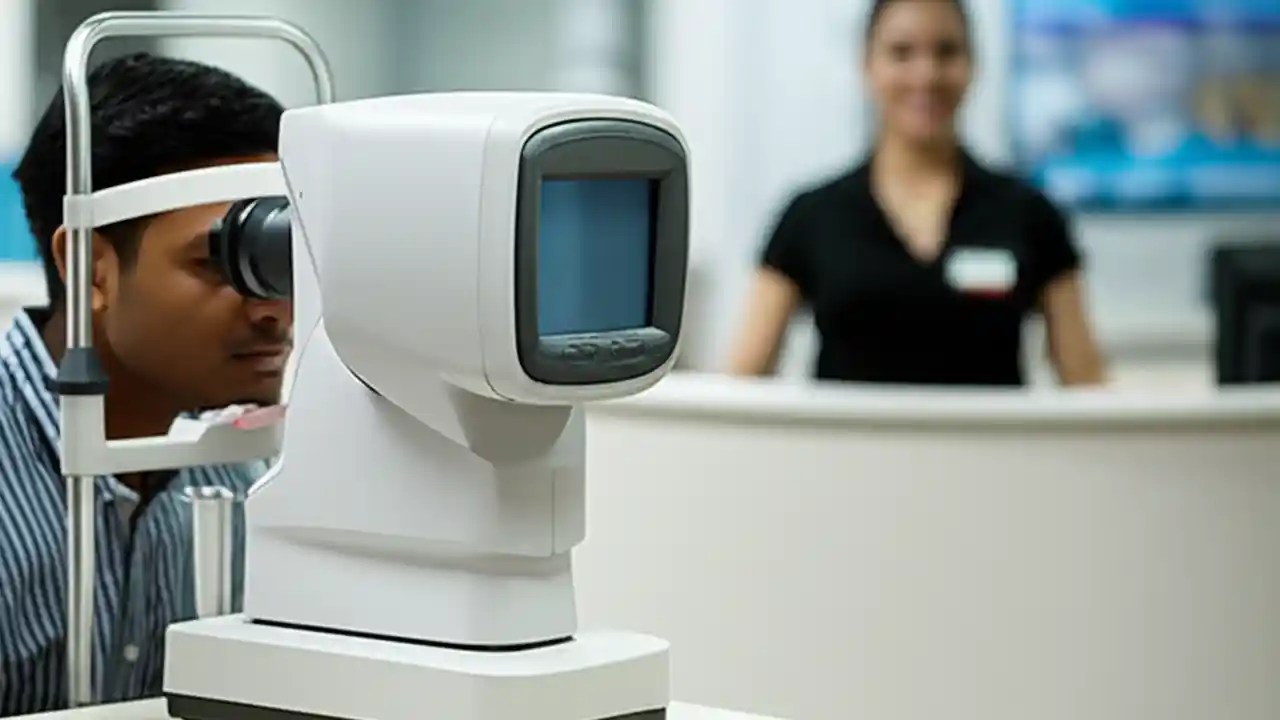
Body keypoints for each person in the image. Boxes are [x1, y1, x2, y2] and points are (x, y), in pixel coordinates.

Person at [0, 53, 289, 715]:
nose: (275, 306)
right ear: (91, 268)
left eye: (283, 258)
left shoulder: (239, 478)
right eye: (224, 261)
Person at [728, 0, 1105, 386]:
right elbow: (743, 382)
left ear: (973, 64)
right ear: (867, 65)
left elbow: (1086, 384)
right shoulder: (810, 216)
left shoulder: (1030, 214)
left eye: (946, 52)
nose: (926, 75)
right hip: (847, 430)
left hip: (989, 429)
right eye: (901, 53)